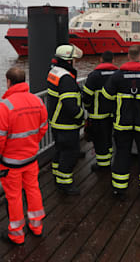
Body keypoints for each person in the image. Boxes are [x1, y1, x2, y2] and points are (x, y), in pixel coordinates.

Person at [102, 45, 140, 201]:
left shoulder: (117, 76)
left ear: (128, 57)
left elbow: (106, 96)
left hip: (122, 124)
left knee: (122, 153)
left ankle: (118, 190)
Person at [0, 67, 48, 245]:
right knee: (33, 190)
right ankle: (37, 226)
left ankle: (17, 234)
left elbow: (0, 138)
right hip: (31, 157)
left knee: (14, 197)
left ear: (9, 82)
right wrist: (32, 143)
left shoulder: (5, 106)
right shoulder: (37, 101)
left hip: (11, 163)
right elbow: (43, 127)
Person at [47, 44, 84, 195]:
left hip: (56, 121)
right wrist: (80, 115)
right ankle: (65, 183)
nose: (76, 61)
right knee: (70, 153)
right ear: (68, 61)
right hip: (66, 123)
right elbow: (69, 104)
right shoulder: (66, 79)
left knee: (60, 149)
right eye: (74, 59)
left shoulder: (54, 72)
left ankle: (57, 174)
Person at [82, 51, 118, 171]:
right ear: (113, 61)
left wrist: (88, 107)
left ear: (100, 60)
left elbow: (86, 96)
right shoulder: (118, 74)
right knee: (110, 137)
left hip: (98, 115)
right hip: (115, 114)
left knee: (100, 140)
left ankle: (103, 165)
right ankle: (111, 159)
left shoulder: (94, 76)